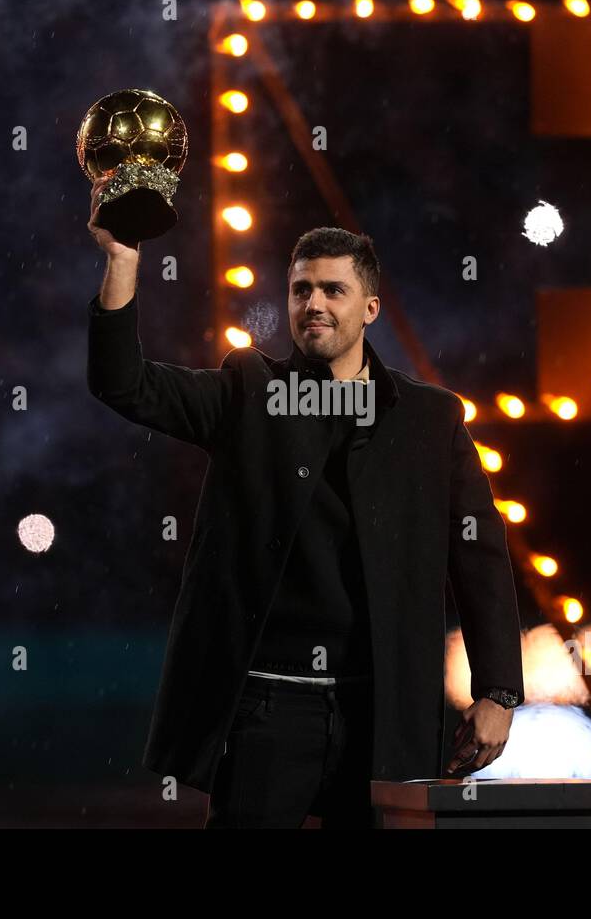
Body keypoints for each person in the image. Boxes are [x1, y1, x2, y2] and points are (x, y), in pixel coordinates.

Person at [86, 179, 524, 828]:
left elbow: (479, 554)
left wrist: (498, 690)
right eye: (300, 290)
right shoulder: (248, 390)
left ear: (371, 307)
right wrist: (123, 261)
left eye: (332, 290)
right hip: (266, 709)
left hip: (384, 713)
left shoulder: (431, 418)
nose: (313, 303)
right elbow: (124, 384)